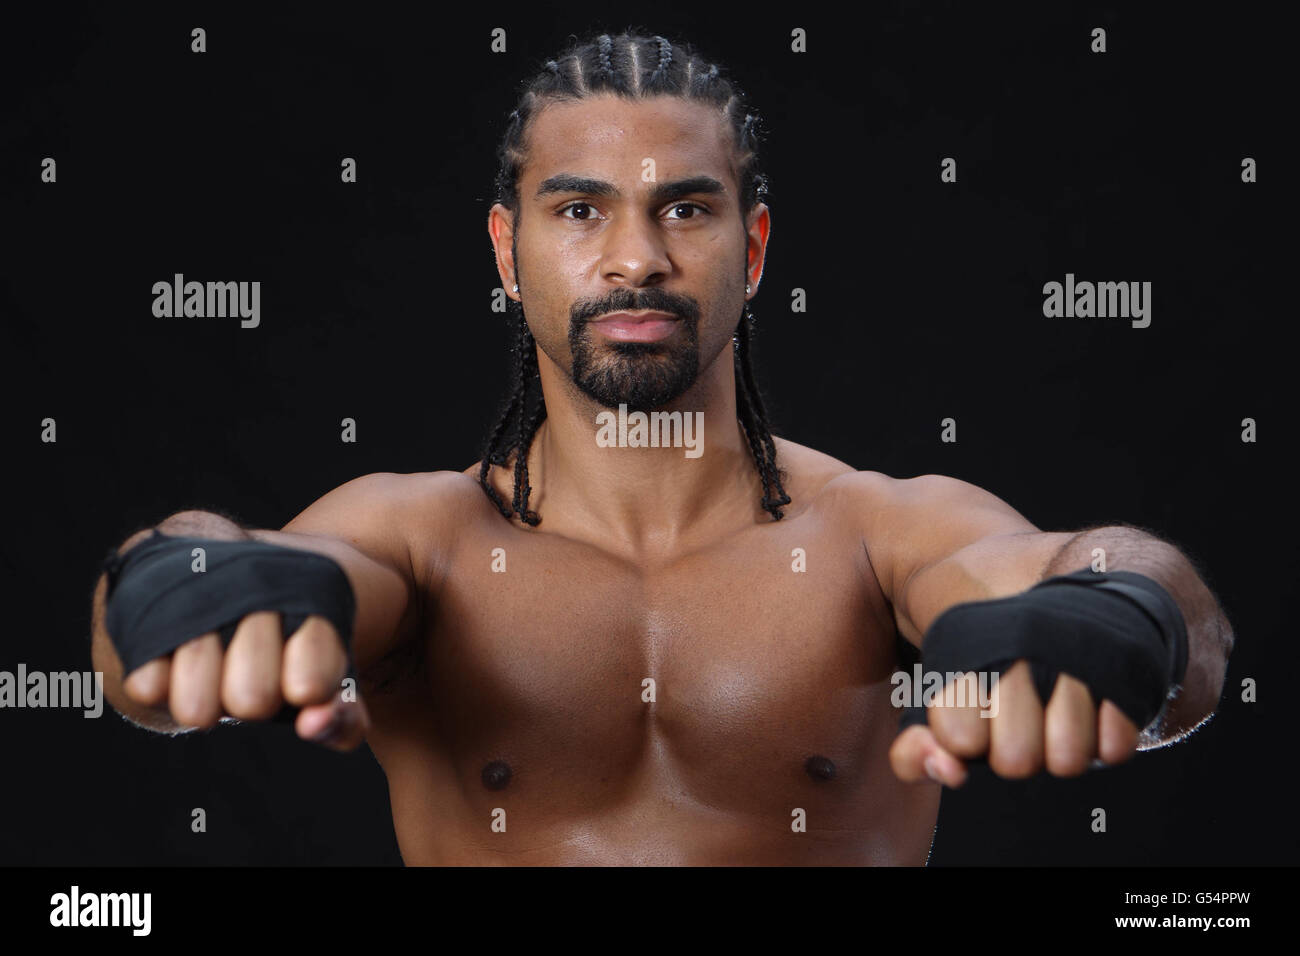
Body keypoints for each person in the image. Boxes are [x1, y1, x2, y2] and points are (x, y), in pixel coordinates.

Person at [90, 31, 1234, 865]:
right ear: (507, 247)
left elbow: (1120, 590)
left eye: (685, 208)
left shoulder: (876, 532)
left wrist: (1110, 614)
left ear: (757, 242)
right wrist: (185, 580)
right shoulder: (425, 536)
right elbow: (216, 588)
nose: (634, 259)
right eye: (579, 210)